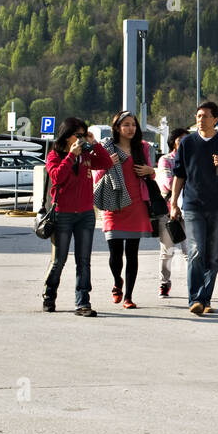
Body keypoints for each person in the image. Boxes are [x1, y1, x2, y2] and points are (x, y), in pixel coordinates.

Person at [168, 101, 218, 315]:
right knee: (196, 251)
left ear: (216, 119)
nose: (200, 119)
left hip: (217, 206)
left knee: (213, 257)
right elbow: (179, 175)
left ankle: (205, 299)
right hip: (193, 205)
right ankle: (195, 299)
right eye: (198, 116)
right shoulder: (187, 143)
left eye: (205, 116)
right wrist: (174, 202)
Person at [43, 117, 117, 316]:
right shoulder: (54, 155)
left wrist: (94, 144)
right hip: (63, 215)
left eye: (84, 134)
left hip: (85, 214)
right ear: (67, 136)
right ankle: (49, 295)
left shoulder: (86, 155)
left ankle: (83, 302)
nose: (81, 138)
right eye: (78, 135)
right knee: (60, 259)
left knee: (84, 261)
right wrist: (70, 157)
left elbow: (106, 162)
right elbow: (57, 177)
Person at [94, 111, 156, 309]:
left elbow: (151, 175)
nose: (131, 128)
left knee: (132, 253)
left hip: (137, 205)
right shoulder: (107, 148)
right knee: (114, 254)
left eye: (133, 125)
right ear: (117, 128)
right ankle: (117, 281)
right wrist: (106, 164)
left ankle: (128, 296)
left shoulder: (142, 148)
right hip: (114, 203)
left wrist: (151, 171)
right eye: (126, 125)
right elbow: (97, 177)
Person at [156, 128, 189, 297]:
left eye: (186, 138)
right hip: (169, 212)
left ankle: (193, 284)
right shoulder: (165, 160)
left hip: (189, 210)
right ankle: (164, 283)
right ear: (173, 141)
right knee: (167, 250)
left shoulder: (192, 158)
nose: (183, 141)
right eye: (179, 138)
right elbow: (167, 182)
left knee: (189, 251)